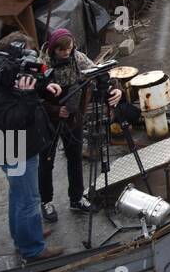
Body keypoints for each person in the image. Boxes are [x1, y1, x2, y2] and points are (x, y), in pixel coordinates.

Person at [0, 33, 62, 262]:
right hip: (15, 148)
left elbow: (29, 84)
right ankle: (33, 249)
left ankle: (25, 235)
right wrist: (27, 97)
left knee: (18, 195)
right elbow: (11, 121)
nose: (32, 58)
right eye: (27, 52)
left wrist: (44, 86)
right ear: (15, 52)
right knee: (28, 199)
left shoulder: (5, 74)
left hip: (11, 146)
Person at [37, 28, 132, 223]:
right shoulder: (43, 65)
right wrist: (55, 110)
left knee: (75, 158)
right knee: (46, 161)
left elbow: (100, 74)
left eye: (69, 48)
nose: (65, 52)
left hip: (74, 119)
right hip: (49, 121)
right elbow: (36, 97)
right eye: (61, 49)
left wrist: (116, 89)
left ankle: (77, 198)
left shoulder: (78, 58)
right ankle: (46, 201)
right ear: (53, 49)